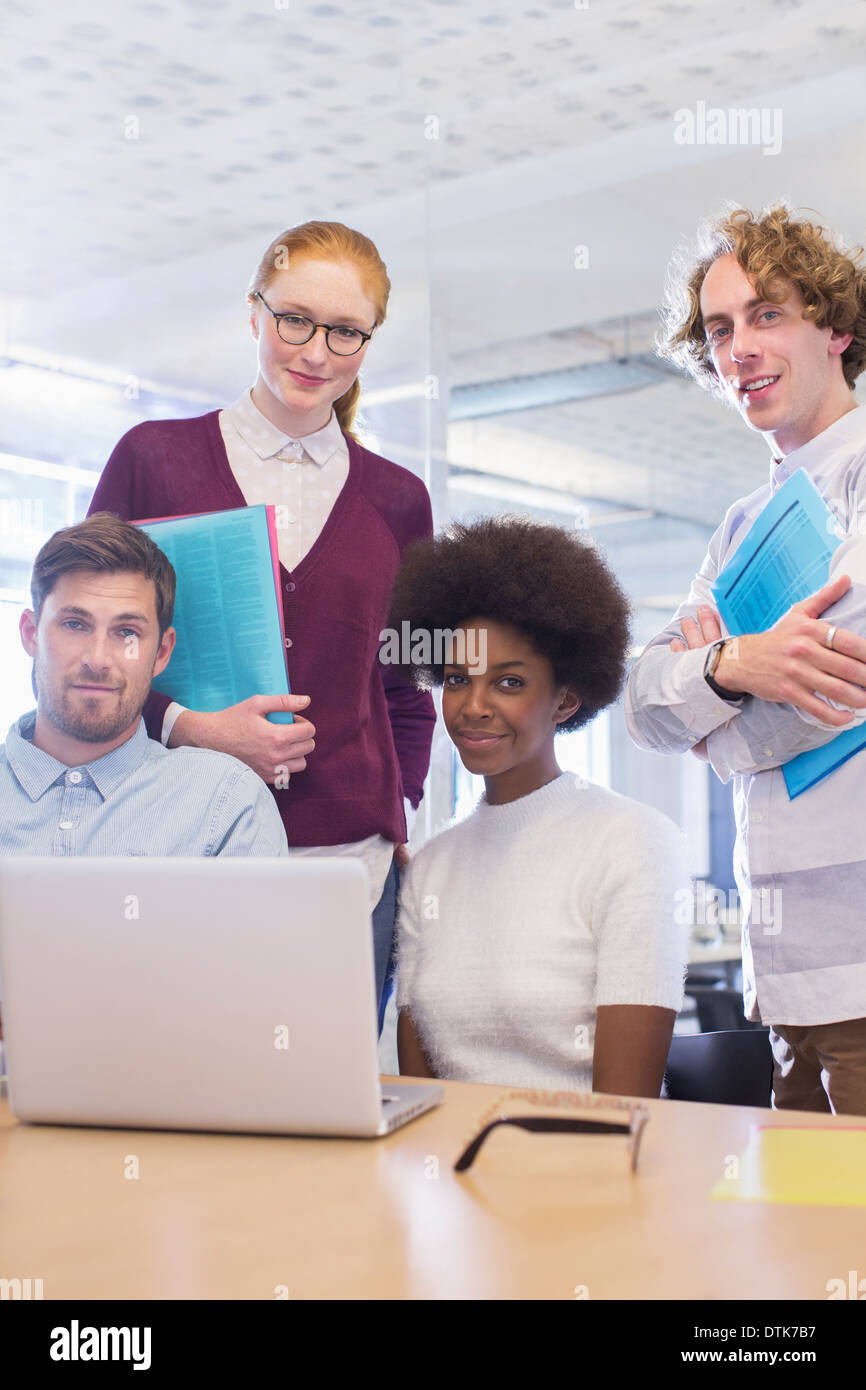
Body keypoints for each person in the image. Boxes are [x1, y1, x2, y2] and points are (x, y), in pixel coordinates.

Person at [87, 222, 436, 1028]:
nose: (316, 352)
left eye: (346, 331)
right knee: (183, 1080)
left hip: (350, 867)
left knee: (321, 1104)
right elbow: (91, 657)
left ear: (368, 341)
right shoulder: (154, 459)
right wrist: (187, 727)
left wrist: (400, 804)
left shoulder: (397, 499)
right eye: (295, 320)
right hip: (180, 844)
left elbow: (407, 683)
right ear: (254, 314)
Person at [626, 203, 866, 1114]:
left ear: (837, 328)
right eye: (720, 329)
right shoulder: (737, 529)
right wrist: (734, 668)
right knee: (803, 1254)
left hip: (863, 978)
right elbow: (646, 703)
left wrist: (716, 723)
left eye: (768, 315)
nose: (740, 349)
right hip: (787, 988)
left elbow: (831, 684)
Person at [390, 516, 689, 1096]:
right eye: (456, 678)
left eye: (508, 683)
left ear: (565, 700)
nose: (472, 706)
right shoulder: (430, 866)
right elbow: (421, 1097)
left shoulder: (633, 843)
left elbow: (622, 1106)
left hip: (584, 1173)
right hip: (452, 1172)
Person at [0, 513, 288, 859]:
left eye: (126, 632)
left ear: (162, 652)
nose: (97, 659)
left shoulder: (228, 803)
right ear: (31, 634)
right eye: (75, 624)